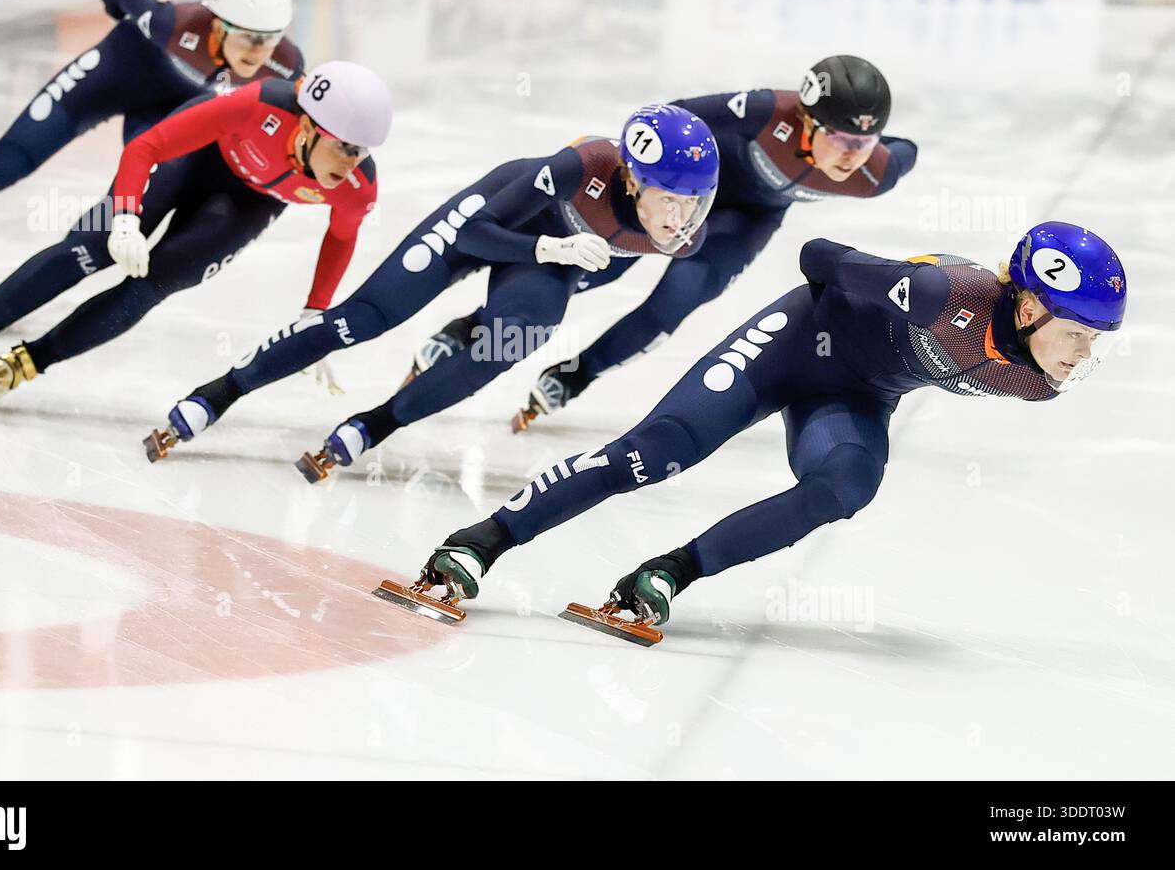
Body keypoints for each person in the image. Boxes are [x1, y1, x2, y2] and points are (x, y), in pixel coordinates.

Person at [386, 222, 1127, 644]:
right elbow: (818, 256)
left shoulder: (1037, 380)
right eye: (1079, 333)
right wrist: (868, 304)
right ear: (1029, 306)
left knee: (844, 487)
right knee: (656, 453)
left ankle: (666, 574)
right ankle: (480, 542)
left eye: (1095, 341)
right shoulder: (942, 294)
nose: (1082, 355)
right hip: (791, 345)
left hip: (855, 395)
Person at [144, 104, 719, 472]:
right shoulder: (585, 164)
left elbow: (611, 269)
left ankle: (376, 423)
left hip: (552, 261)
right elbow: (478, 231)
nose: (681, 217)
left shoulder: (678, 235)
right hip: (497, 221)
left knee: (511, 344)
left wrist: (536, 290)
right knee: (365, 319)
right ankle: (221, 392)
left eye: (694, 203)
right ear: (631, 178)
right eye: (671, 199)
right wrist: (550, 248)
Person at [401, 56, 918, 431]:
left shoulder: (875, 174)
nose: (851, 156)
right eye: (841, 138)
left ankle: (577, 375)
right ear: (806, 121)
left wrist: (878, 148)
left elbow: (906, 150)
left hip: (747, 219)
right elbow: (669, 115)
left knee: (677, 301)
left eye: (864, 143)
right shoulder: (764, 112)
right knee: (595, 270)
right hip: (679, 195)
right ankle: (473, 326)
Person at [0, 61, 391, 413]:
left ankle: (30, 362)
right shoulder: (257, 105)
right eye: (345, 148)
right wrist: (126, 216)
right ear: (306, 126)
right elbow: (147, 146)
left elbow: (341, 238)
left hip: (244, 204)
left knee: (153, 285)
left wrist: (315, 310)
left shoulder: (356, 188)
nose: (352, 164)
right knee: (94, 244)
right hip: (192, 157)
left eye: (362, 152)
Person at [0, 0, 302, 281]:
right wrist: (120, 19)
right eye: (248, 36)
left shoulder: (285, 66)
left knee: (126, 205)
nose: (258, 50)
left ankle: (35, 282)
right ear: (216, 23)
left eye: (270, 39)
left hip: (164, 111)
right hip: (111, 77)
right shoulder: (173, 24)